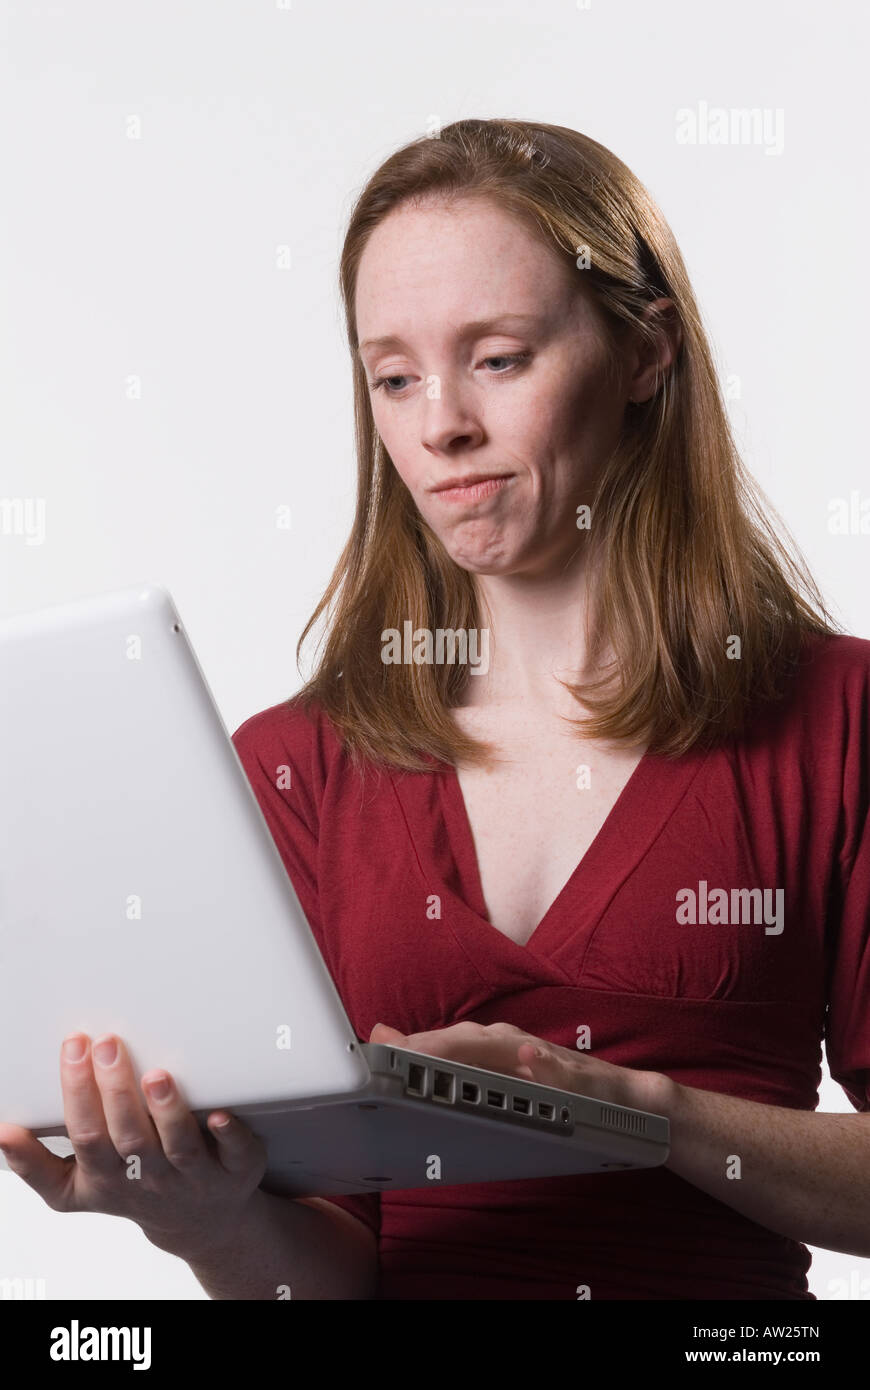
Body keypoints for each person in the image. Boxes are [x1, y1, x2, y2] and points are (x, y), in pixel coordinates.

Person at [2, 118, 868, 1300]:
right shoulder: (297, 770)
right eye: (394, 376)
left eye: (499, 357)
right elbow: (328, 1282)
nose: (438, 423)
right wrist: (205, 1223)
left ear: (645, 352)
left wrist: (628, 1108)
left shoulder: (838, 716)